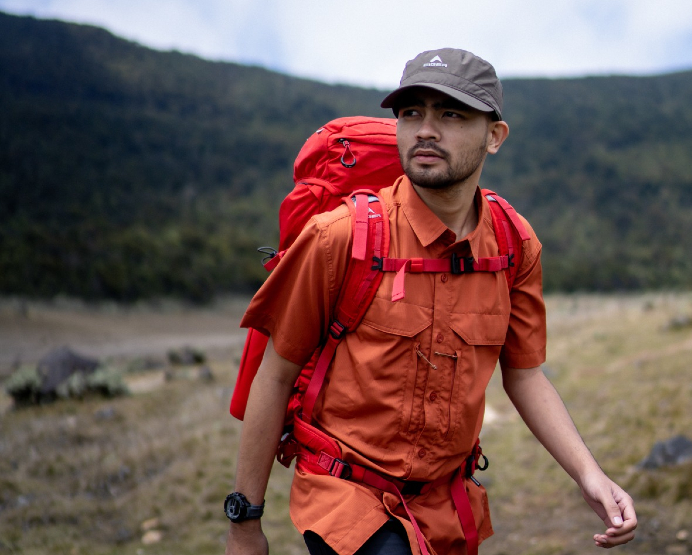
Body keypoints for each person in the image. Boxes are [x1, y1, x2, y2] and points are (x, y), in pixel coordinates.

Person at [224, 48, 637, 555]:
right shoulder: (340, 238)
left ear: (495, 136)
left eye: (451, 114)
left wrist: (590, 475)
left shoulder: (513, 244)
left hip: (449, 507)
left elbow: (525, 375)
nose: (425, 129)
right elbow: (276, 373)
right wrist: (244, 525)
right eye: (411, 113)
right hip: (347, 496)